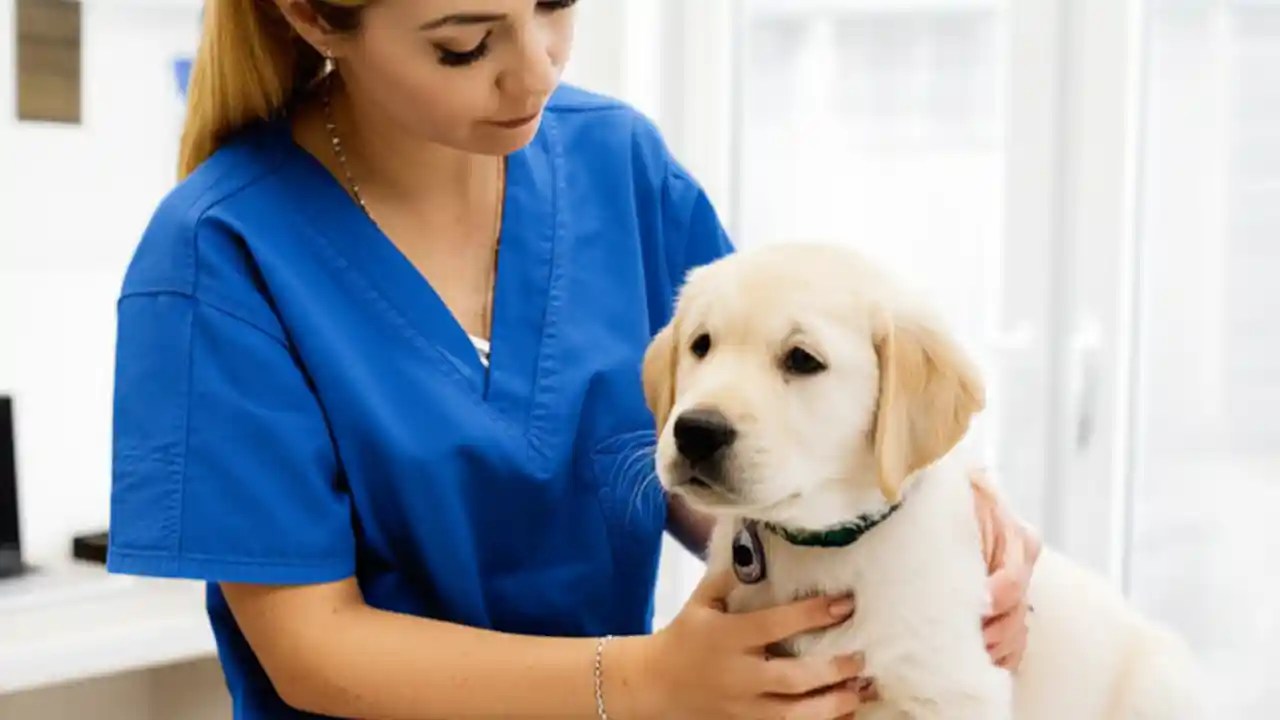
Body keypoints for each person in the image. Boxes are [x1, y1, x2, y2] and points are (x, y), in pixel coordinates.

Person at [105, 1, 1041, 718]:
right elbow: (311, 649)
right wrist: (638, 681)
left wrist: (925, 531)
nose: (536, 74)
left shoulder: (620, 165)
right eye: (464, 44)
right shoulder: (219, 255)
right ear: (312, 16)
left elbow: (733, 460)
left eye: (555, 4)